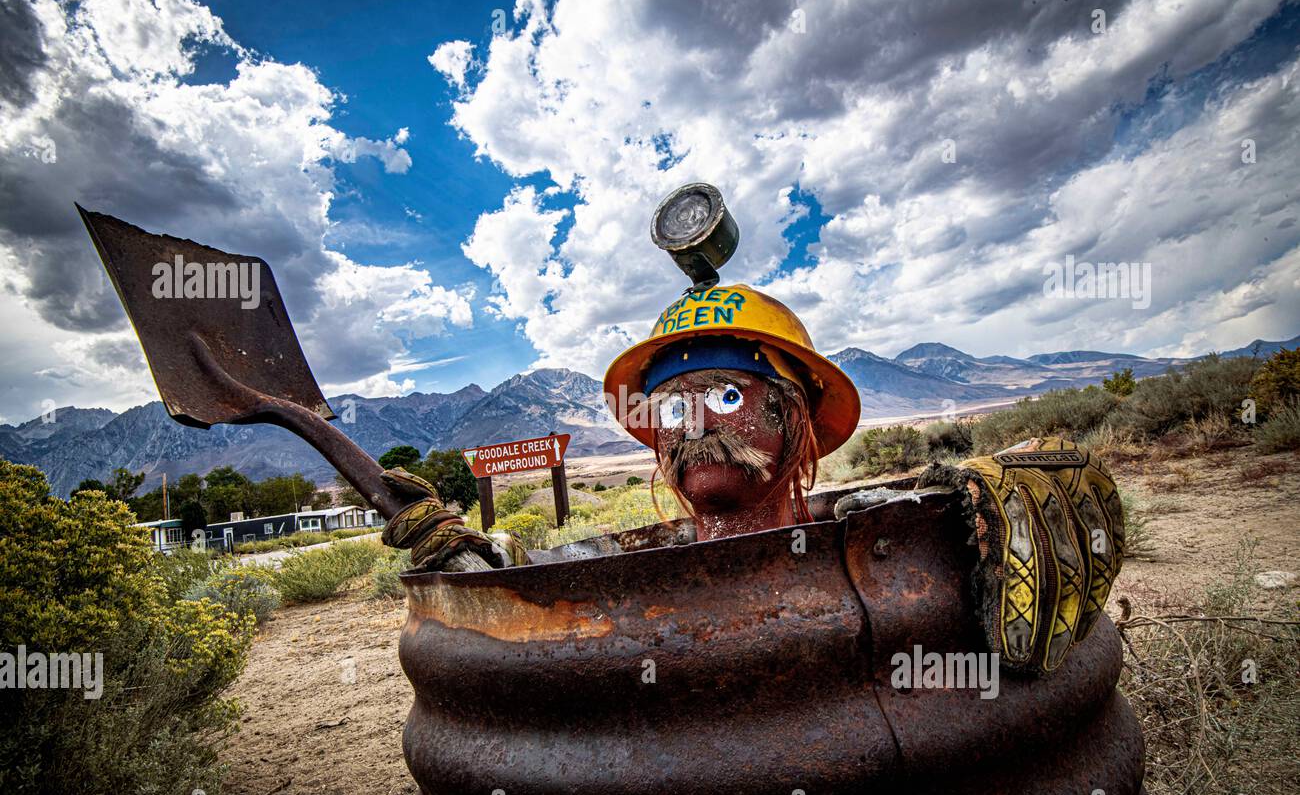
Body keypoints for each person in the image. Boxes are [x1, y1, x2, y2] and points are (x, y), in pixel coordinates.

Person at [383, 274, 1125, 677]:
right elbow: (542, 588)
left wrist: (982, 489)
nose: (695, 424)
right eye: (672, 408)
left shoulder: (886, 539)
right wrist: (479, 564)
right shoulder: (619, 573)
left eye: (727, 396)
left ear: (795, 416)